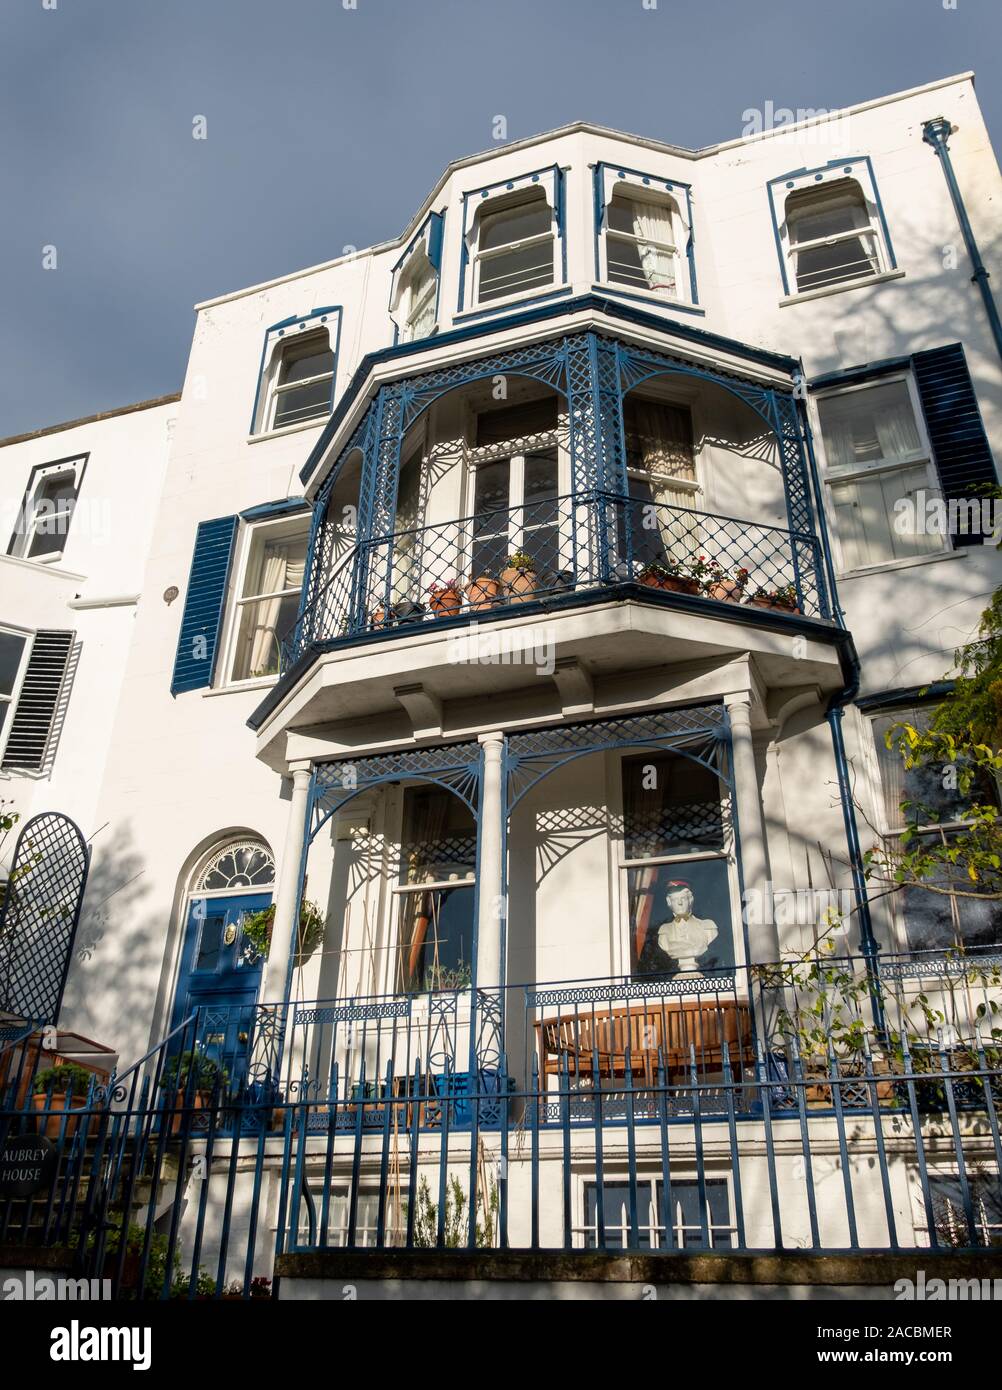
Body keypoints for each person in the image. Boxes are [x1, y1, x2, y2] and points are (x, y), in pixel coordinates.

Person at [639, 879, 719, 974]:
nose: (679, 903)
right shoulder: (664, 931)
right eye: (675, 899)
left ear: (690, 900)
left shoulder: (707, 927)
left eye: (683, 898)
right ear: (669, 903)